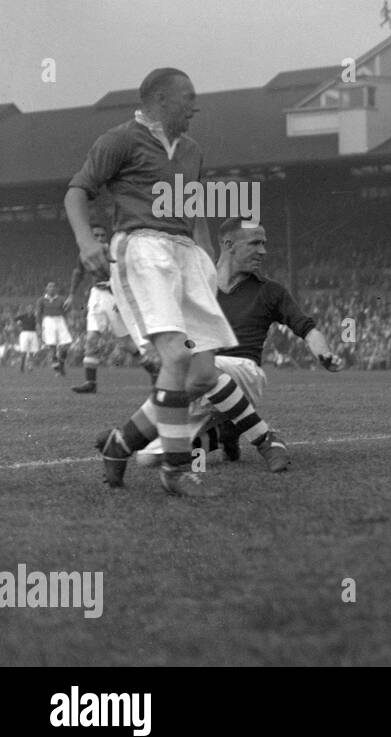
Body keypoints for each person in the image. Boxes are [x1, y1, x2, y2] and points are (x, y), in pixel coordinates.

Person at [66, 67, 274, 497]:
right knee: (176, 358)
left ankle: (120, 444)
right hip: (143, 250)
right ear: (160, 100)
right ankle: (176, 471)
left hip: (185, 254)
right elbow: (77, 190)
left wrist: (206, 265)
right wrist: (87, 242)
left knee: (201, 373)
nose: (195, 107)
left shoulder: (192, 150)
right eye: (188, 98)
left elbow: (192, 211)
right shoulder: (119, 139)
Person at [135, 218, 344, 468]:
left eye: (264, 244)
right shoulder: (197, 285)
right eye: (255, 243)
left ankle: (265, 438)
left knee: (206, 367)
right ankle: (224, 433)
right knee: (147, 460)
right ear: (228, 244)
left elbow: (308, 330)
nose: (263, 251)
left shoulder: (270, 291)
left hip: (244, 373)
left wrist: (325, 354)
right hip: (201, 379)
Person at [68, 223, 159, 392]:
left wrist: (121, 298)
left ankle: (154, 371)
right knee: (91, 339)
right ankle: (91, 383)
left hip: (114, 295)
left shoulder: (114, 253)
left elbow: (128, 275)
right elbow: (78, 272)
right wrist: (72, 294)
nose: (100, 239)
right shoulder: (85, 254)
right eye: (96, 236)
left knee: (126, 343)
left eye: (103, 235)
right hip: (96, 295)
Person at [36, 282, 73, 376]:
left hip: (60, 320)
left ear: (56, 289)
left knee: (66, 343)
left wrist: (69, 318)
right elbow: (39, 314)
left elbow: (67, 310)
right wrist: (39, 326)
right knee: (52, 346)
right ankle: (57, 369)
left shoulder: (60, 299)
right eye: (50, 286)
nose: (52, 288)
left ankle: (61, 363)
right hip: (48, 321)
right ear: (46, 289)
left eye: (53, 286)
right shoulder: (41, 300)